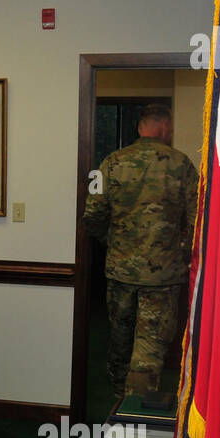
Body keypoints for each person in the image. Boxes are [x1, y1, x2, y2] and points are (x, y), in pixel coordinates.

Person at [82, 103, 198, 410]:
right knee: (151, 341)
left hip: (120, 269)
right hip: (162, 275)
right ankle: (137, 407)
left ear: (140, 127)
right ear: (163, 127)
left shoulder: (111, 162)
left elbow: (92, 214)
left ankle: (119, 396)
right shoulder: (181, 164)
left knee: (120, 335)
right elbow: (198, 219)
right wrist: (179, 250)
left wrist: (114, 241)